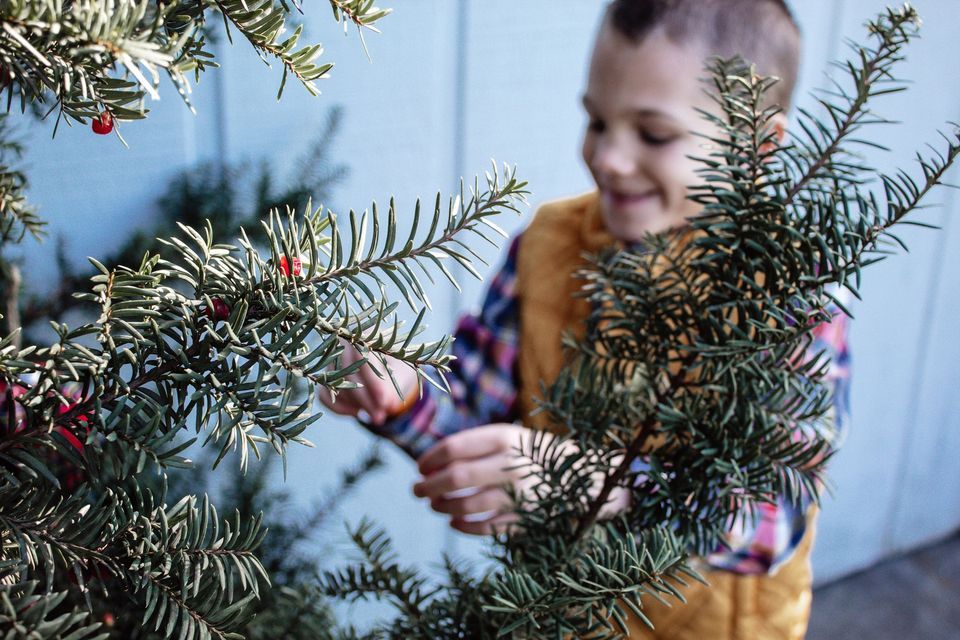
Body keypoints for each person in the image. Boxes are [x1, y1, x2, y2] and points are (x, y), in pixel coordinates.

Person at [321, 1, 851, 637]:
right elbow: (474, 423)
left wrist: (589, 482)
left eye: (654, 134)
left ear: (756, 144)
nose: (608, 158)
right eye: (597, 120)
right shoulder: (546, 248)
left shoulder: (789, 290)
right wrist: (401, 393)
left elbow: (773, 517)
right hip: (554, 619)